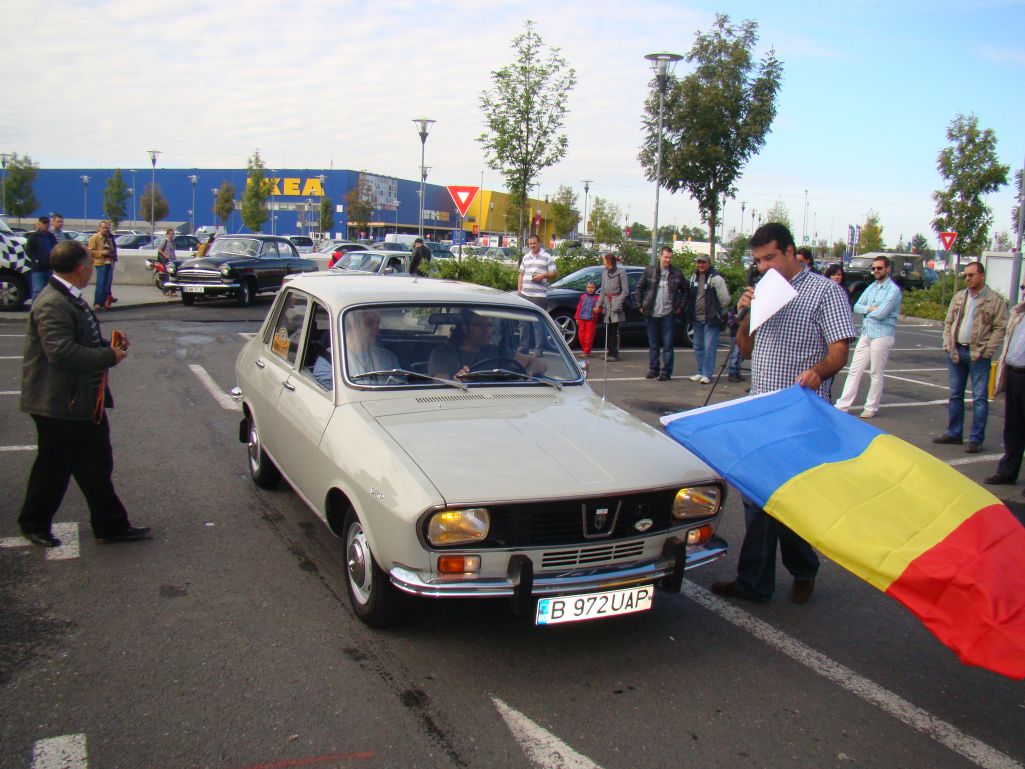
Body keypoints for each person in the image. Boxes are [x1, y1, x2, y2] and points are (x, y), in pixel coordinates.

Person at [711, 222, 855, 605]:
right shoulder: (764, 293)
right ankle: (753, 583)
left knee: (789, 505)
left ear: (791, 252)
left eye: (769, 257)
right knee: (757, 502)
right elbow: (744, 349)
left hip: (801, 416)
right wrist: (747, 312)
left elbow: (840, 350)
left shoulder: (826, 292)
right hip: (762, 410)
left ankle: (803, 568)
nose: (763, 266)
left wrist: (818, 372)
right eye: (758, 260)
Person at [17, 240, 150, 547]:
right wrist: (108, 357)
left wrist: (107, 345)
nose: (93, 268)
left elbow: (79, 340)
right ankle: (34, 523)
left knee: (95, 465)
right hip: (59, 404)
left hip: (82, 401)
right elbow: (60, 352)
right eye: (90, 263)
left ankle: (111, 525)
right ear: (80, 269)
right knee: (53, 468)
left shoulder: (68, 296)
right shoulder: (53, 302)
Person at [933, 261, 1008, 453]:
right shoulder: (960, 297)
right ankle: (954, 433)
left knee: (979, 398)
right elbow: (949, 321)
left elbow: (1000, 327)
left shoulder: (994, 300)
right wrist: (948, 343)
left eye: (971, 275)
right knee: (955, 394)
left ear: (981, 275)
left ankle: (976, 439)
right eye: (965, 275)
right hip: (957, 352)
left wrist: (988, 350)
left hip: (978, 354)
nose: (967, 278)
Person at [834, 255, 902, 419]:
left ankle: (871, 407)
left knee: (875, 372)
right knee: (854, 369)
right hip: (866, 333)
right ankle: (843, 404)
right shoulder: (872, 287)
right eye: (873, 268)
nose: (876, 271)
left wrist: (870, 310)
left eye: (879, 268)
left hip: (882, 334)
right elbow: (856, 306)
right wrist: (871, 309)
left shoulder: (893, 290)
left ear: (887, 269)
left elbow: (882, 313)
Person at [429, 308, 547, 379]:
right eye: (479, 325)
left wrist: (527, 374)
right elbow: (439, 383)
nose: (487, 331)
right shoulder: (443, 353)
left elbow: (540, 364)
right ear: (465, 328)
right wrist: (455, 381)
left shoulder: (497, 351)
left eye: (489, 325)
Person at [985, 287, 1025, 486]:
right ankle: (1008, 472)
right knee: (1013, 428)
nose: (1024, 291)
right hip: (1015, 374)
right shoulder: (1019, 314)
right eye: (1023, 287)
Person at [636, 245, 689, 380]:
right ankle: (654, 369)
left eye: (670, 258)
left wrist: (680, 307)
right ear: (660, 256)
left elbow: (686, 291)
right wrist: (640, 305)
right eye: (665, 257)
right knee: (653, 344)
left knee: (668, 344)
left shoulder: (677, 273)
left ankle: (666, 371)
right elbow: (639, 287)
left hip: (668, 314)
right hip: (652, 313)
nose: (667, 260)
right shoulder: (650, 271)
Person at [688, 254, 730, 384]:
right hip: (696, 318)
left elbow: (725, 299)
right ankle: (700, 371)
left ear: (709, 263)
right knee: (698, 347)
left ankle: (707, 374)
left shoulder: (716, 278)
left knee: (709, 348)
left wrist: (716, 311)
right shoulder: (694, 276)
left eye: (703, 262)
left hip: (710, 320)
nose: (701, 265)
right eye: (699, 262)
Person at [517, 234, 558, 355]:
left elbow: (554, 273)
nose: (532, 246)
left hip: (538, 296)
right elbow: (521, 274)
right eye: (530, 244)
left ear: (539, 243)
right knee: (523, 323)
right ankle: (523, 347)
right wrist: (519, 291)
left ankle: (538, 349)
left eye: (534, 243)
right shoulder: (526, 257)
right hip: (525, 294)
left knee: (537, 323)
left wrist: (542, 276)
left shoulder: (547, 257)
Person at [344, 309, 401, 384]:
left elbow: (400, 387)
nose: (376, 328)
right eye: (369, 323)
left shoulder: (388, 357)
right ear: (351, 325)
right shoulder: (333, 359)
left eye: (378, 323)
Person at [599, 252, 628, 362]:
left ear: (609, 261)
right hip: (607, 303)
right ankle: (609, 351)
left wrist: (618, 304)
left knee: (614, 330)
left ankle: (614, 353)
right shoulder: (604, 274)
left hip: (616, 302)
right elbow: (602, 290)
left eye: (604, 260)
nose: (603, 263)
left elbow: (625, 291)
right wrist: (599, 305)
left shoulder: (621, 273)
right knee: (608, 329)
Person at [24, 216, 57, 300]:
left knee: (48, 291)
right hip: (38, 269)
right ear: (39, 224)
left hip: (49, 268)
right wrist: (35, 260)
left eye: (47, 223)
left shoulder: (51, 236)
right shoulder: (33, 236)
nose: (46, 225)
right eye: (44, 223)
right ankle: (35, 309)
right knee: (38, 290)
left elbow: (55, 248)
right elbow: (28, 250)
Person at [87, 221, 117, 309]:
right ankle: (97, 302)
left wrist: (111, 254)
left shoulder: (109, 238)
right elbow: (91, 251)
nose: (105, 230)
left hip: (109, 263)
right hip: (100, 263)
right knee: (100, 283)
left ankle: (105, 301)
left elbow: (113, 249)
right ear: (100, 228)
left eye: (107, 228)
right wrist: (102, 252)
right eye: (104, 228)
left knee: (107, 284)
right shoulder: (95, 238)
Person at [574, 281, 601, 357]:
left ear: (595, 289)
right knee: (581, 336)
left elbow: (600, 308)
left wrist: (597, 310)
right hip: (582, 319)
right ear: (586, 288)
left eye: (592, 287)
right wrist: (577, 318)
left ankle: (586, 351)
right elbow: (579, 308)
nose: (590, 289)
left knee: (588, 337)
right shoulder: (583, 297)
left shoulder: (597, 298)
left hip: (591, 320)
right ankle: (585, 350)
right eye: (588, 287)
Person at [158, 228, 177, 296]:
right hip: (166, 261)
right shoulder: (165, 241)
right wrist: (165, 255)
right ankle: (165, 291)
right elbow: (159, 249)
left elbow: (173, 251)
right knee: (167, 275)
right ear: (167, 234)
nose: (171, 235)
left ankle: (173, 291)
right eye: (170, 234)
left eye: (172, 234)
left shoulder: (173, 242)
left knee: (173, 276)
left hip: (172, 260)